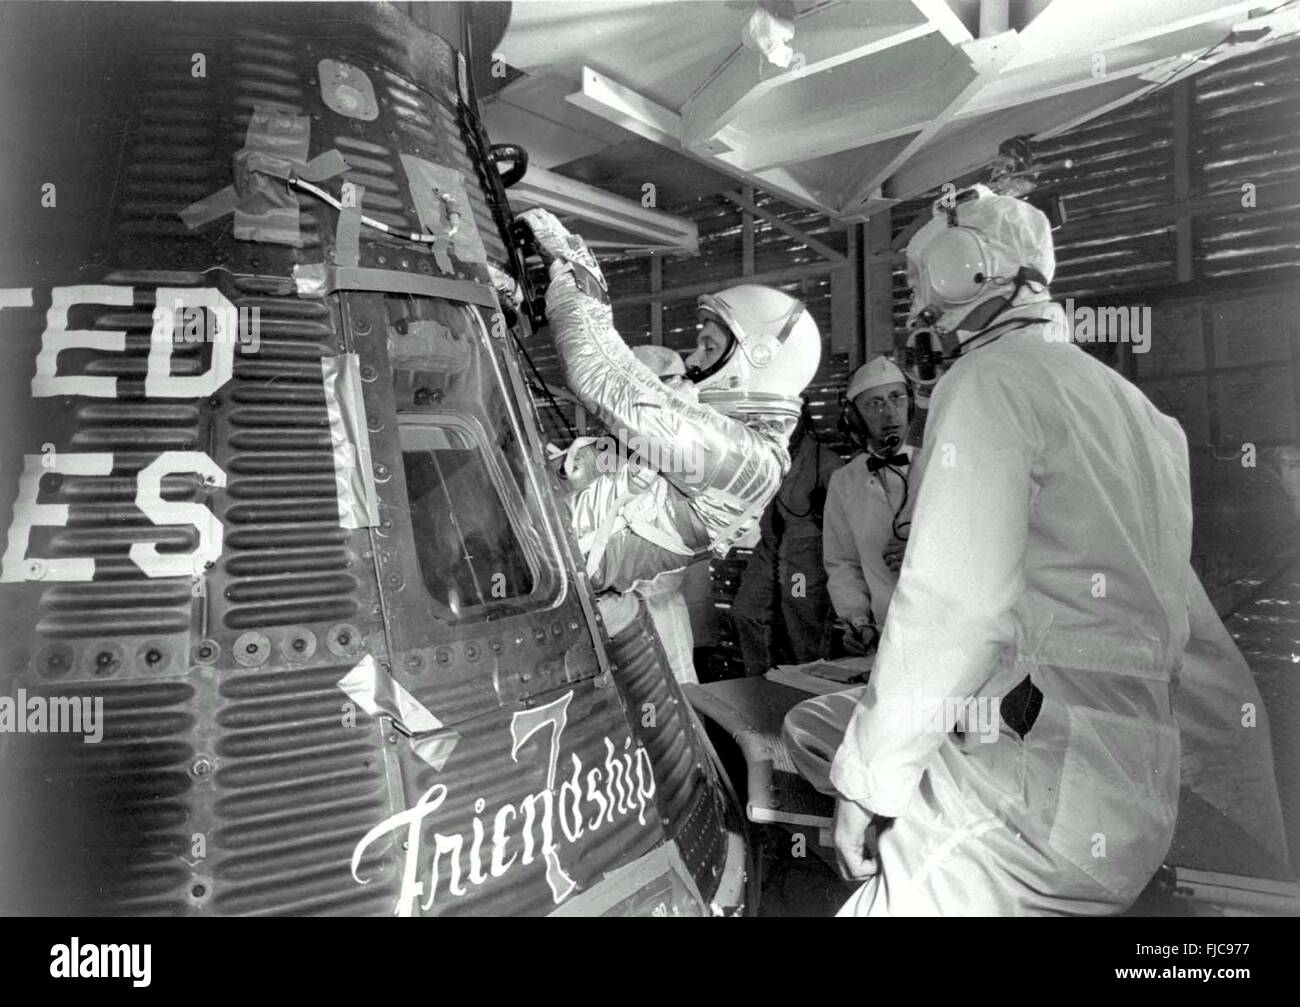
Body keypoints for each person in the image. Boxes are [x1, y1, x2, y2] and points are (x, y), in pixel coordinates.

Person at [830, 184, 1200, 915]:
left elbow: (956, 607)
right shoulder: (1144, 413)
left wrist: (866, 784)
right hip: (1141, 796)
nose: (914, 300)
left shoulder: (988, 381)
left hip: (1035, 788)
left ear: (964, 266)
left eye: (918, 277)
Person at [516, 208, 821, 648]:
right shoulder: (730, 445)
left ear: (754, 361)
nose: (695, 361)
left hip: (543, 583)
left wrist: (575, 271)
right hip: (535, 558)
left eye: (709, 346)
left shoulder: (746, 461)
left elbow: (602, 376)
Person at [779, 355, 918, 792]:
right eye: (874, 404)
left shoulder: (942, 465)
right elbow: (841, 561)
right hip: (887, 635)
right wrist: (856, 617)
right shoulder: (844, 481)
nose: (889, 410)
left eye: (896, 398)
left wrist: (923, 548)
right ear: (855, 416)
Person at [731, 402, 842, 676]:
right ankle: (759, 680)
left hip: (804, 559)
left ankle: (807, 690)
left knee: (800, 618)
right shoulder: (763, 458)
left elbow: (844, 522)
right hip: (768, 549)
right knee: (746, 610)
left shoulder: (825, 462)